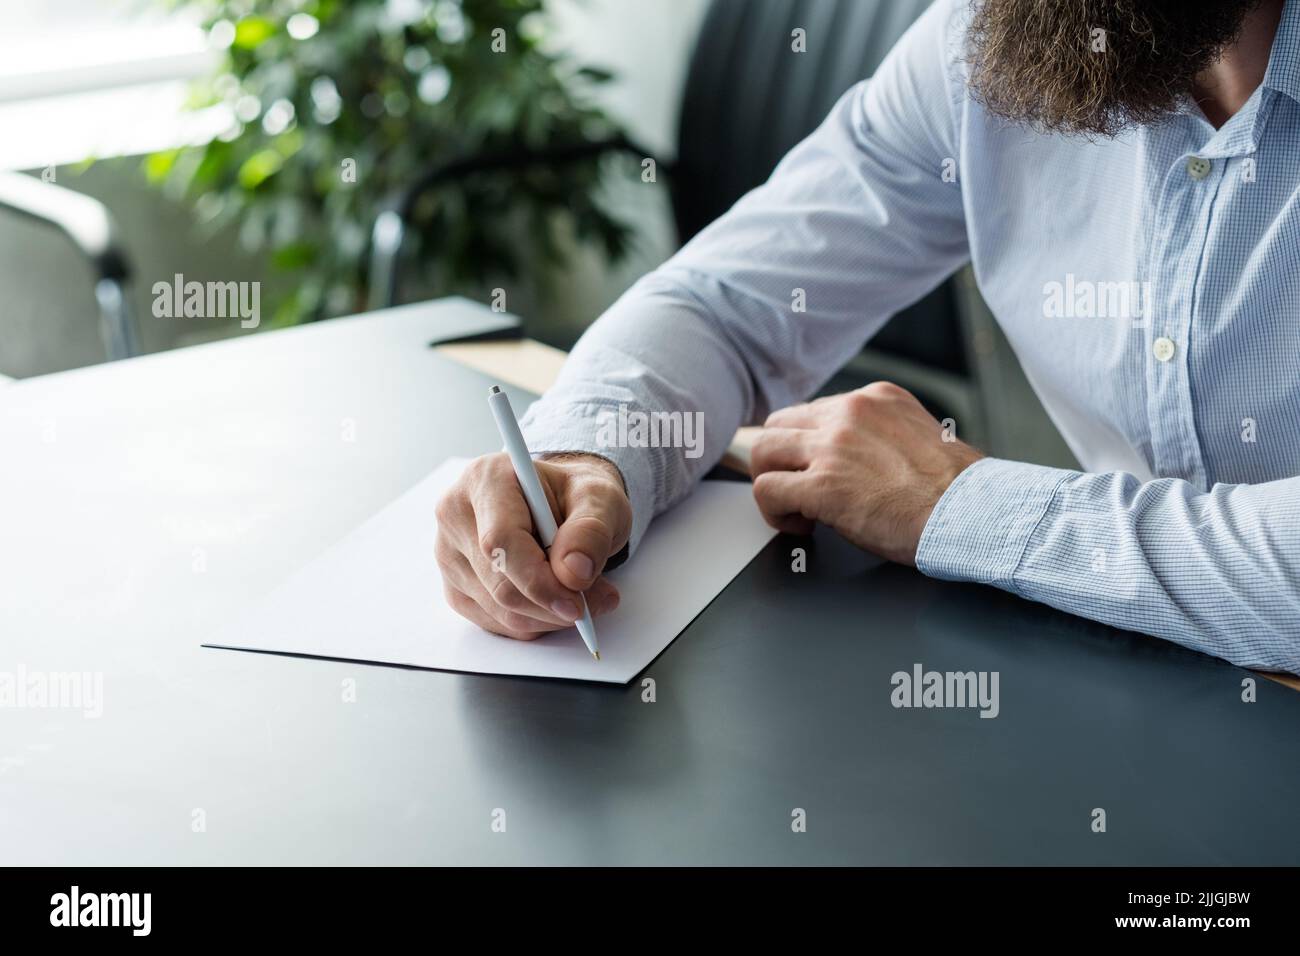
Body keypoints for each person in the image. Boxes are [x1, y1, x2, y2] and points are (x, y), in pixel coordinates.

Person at [435, 0, 1300, 675]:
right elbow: (731, 300)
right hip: (1149, 688)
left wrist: (963, 505)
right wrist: (591, 457)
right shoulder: (1001, 35)